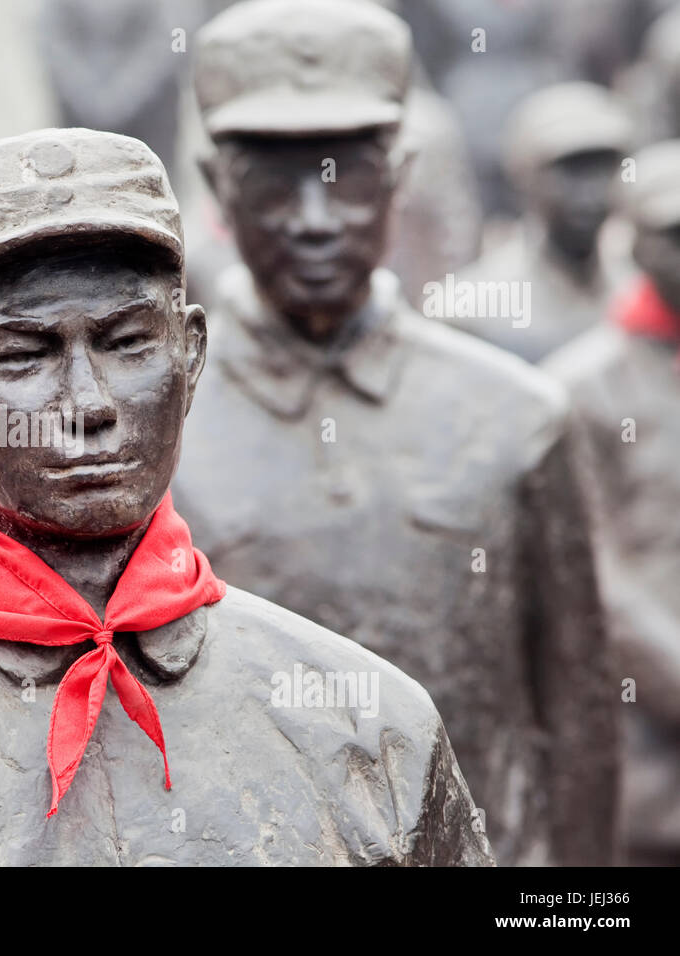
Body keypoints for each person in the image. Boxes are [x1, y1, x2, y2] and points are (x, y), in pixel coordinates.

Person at [0, 127, 494, 867]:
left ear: (191, 355)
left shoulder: (367, 723)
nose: (87, 404)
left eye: (129, 343)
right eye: (24, 356)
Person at [175, 0, 618, 865]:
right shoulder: (154, 434)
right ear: (215, 180)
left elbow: (580, 713)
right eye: (273, 177)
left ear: (402, 173)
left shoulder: (516, 417)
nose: (313, 216)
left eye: (347, 174)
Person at [544, 139, 680, 866]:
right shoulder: (583, 387)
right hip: (647, 749)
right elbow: (595, 570)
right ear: (631, 242)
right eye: (674, 236)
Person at [447, 83, 634, 362]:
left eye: (603, 169)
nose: (590, 193)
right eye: (570, 172)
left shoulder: (641, 288)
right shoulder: (472, 305)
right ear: (524, 177)